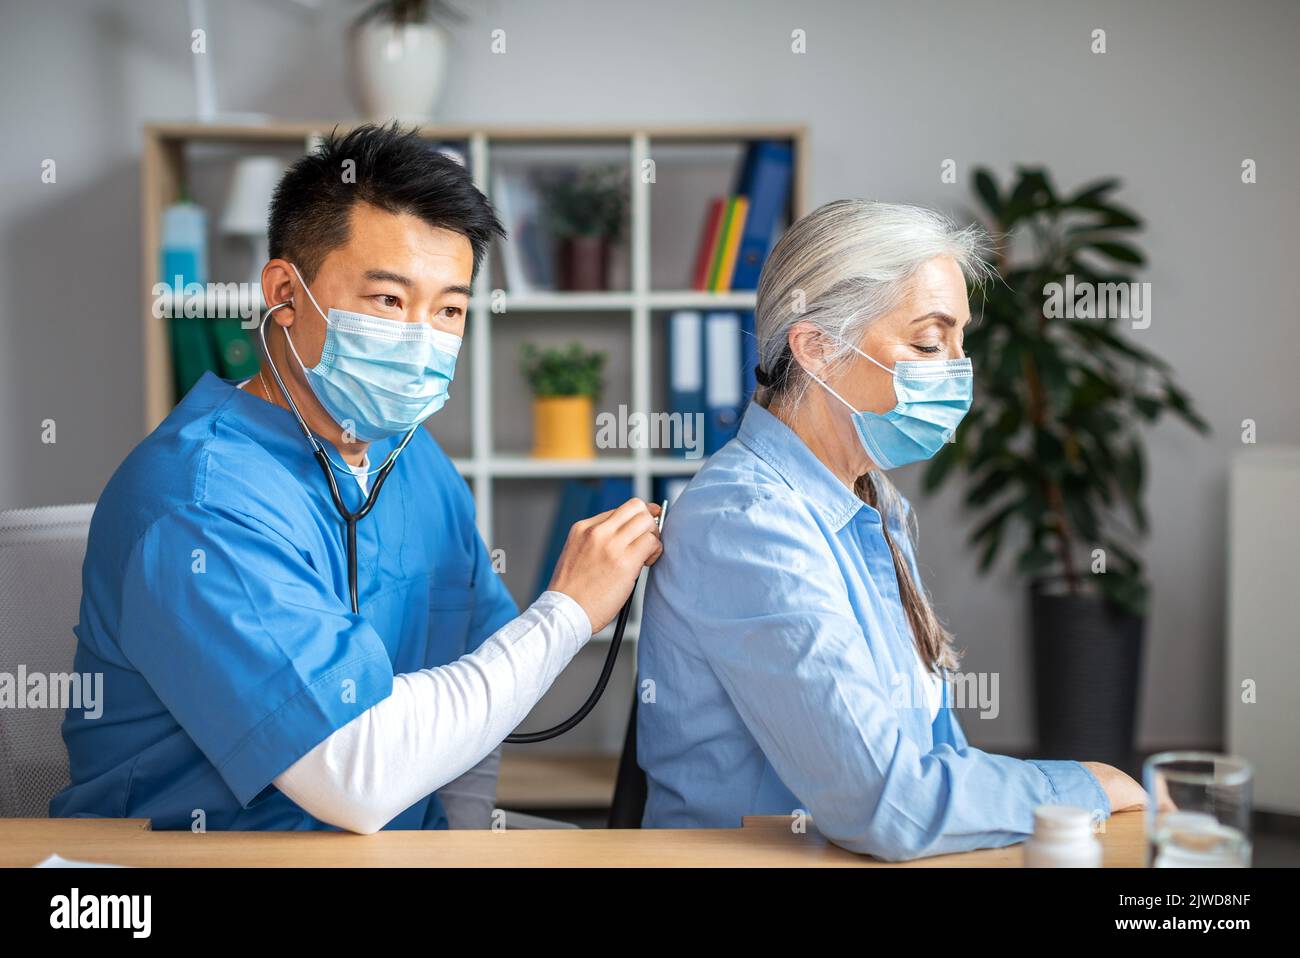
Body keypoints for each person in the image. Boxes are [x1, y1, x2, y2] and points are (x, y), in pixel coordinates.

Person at [50, 124, 661, 832]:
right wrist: (568, 612)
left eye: (450, 310)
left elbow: (480, 688)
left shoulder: (414, 458)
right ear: (284, 292)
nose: (423, 338)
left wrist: (461, 844)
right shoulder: (197, 500)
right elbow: (357, 774)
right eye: (388, 301)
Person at [636, 199, 1149, 861]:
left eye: (962, 342)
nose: (959, 370)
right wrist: (1089, 784)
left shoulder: (873, 500)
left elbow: (935, 754)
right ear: (818, 346)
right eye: (931, 342)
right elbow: (885, 801)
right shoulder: (747, 522)